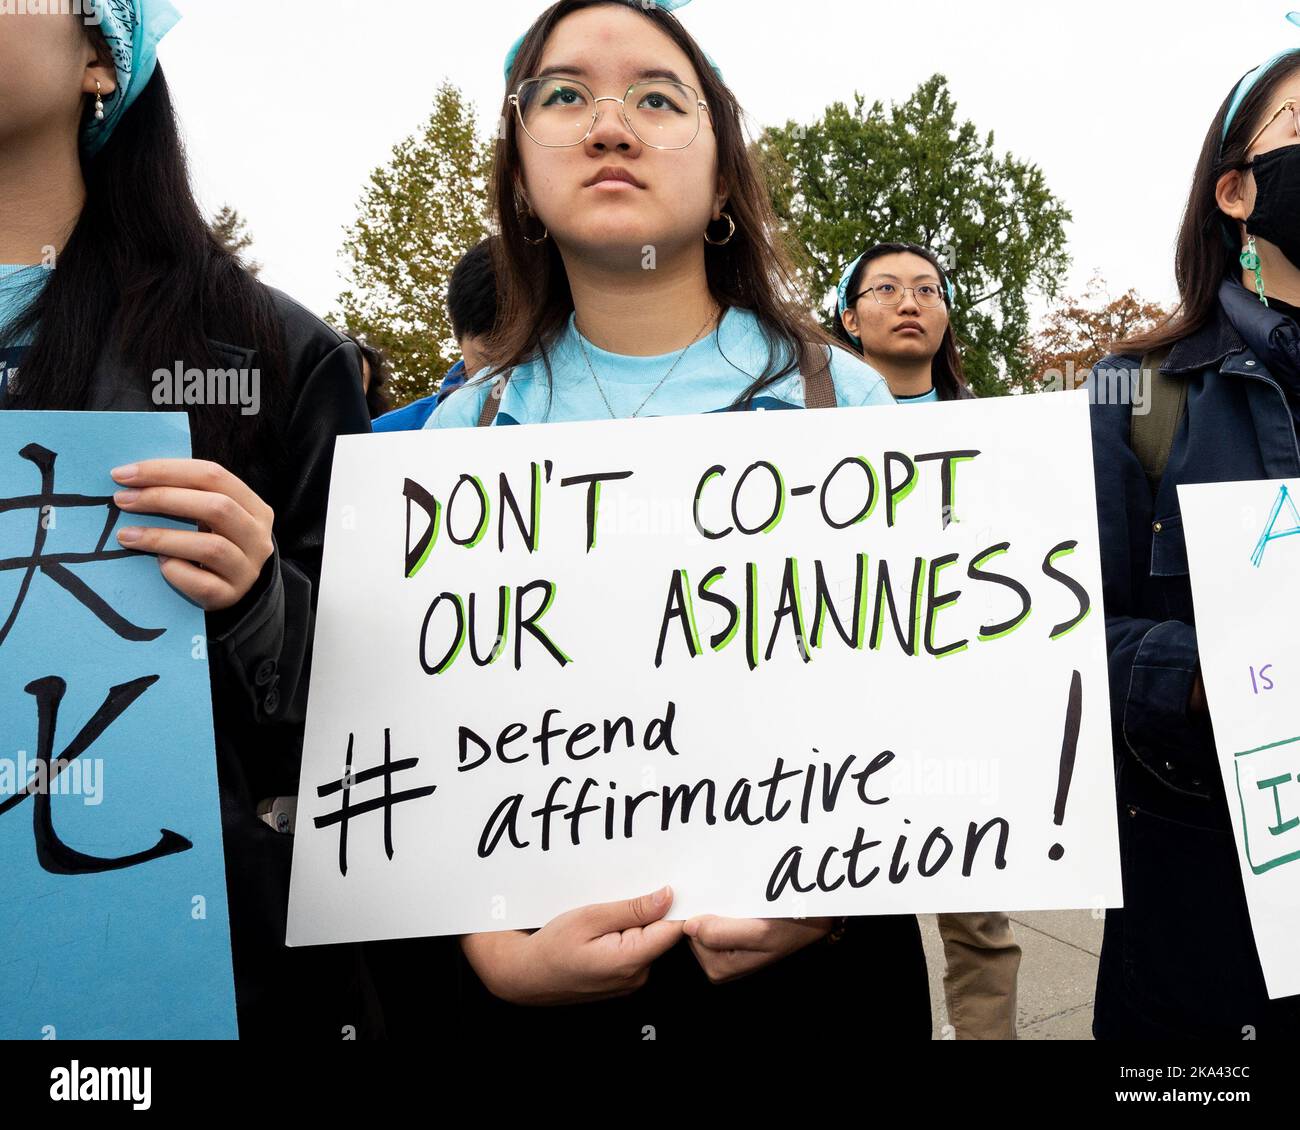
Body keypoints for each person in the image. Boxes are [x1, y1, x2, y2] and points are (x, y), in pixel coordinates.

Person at [423, 0, 929, 1042]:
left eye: (658, 98)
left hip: (815, 992)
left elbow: (932, 702)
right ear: (519, 177)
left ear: (721, 182)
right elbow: (417, 744)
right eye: (563, 96)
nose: (610, 125)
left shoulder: (846, 405)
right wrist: (491, 948)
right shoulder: (458, 434)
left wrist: (832, 891)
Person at [0, 0, 380, 1038]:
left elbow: (386, 731)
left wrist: (261, 601)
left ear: (100, 55)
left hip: (166, 980)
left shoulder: (269, 356)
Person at [1086, 14, 1300, 1039]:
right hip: (1203, 930)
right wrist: (1208, 674)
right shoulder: (1130, 390)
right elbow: (1060, 638)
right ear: (1237, 188)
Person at [837, 242, 1019, 1040]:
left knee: (978, 920)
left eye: (928, 289)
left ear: (946, 317)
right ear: (849, 317)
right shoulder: (792, 435)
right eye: (885, 289)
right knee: (847, 924)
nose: (909, 301)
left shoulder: (995, 435)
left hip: (962, 710)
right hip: (845, 718)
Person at [372, 238, 498, 431]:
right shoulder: (384, 436)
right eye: (491, 359)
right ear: (458, 334)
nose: (504, 378)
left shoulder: (558, 426)